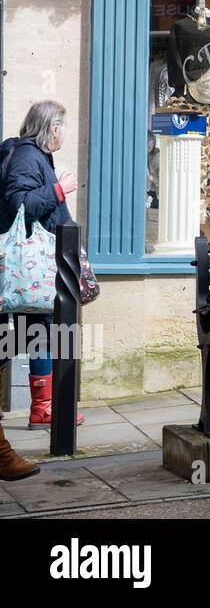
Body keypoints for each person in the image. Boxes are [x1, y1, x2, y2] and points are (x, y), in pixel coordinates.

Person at [0, 100, 85, 430]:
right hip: (29, 267)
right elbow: (19, 203)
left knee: (36, 333)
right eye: (62, 127)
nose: (64, 133)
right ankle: (44, 408)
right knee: (40, 333)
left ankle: (43, 407)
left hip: (29, 267)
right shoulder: (27, 157)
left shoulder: (32, 156)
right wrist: (59, 190)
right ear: (52, 128)